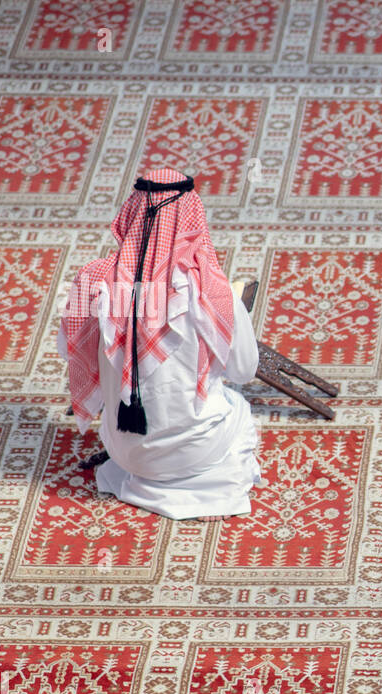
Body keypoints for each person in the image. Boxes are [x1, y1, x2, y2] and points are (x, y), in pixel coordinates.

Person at [57, 167, 261, 521]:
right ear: (192, 220)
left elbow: (68, 350)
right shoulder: (213, 293)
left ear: (132, 213)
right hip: (193, 452)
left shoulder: (92, 280)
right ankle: (201, 487)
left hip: (124, 451)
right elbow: (244, 371)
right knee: (238, 406)